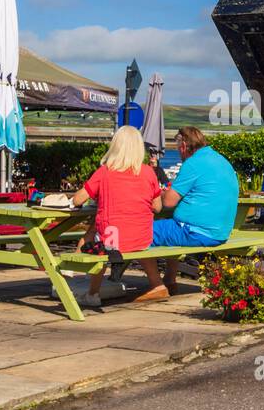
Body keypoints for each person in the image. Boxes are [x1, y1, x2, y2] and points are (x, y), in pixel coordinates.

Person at [71, 126, 166, 308]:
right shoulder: (148, 173)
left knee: (102, 244)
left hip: (112, 239)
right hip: (142, 237)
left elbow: (77, 199)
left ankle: (92, 293)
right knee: (137, 245)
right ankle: (157, 283)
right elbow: (158, 207)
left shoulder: (105, 171)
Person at [152, 127, 240, 289]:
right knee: (171, 227)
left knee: (141, 231)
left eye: (178, 148)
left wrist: (158, 194)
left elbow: (168, 202)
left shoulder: (193, 163)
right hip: (220, 232)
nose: (179, 152)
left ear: (184, 146)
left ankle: (155, 285)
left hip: (196, 231)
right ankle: (169, 279)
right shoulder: (220, 160)